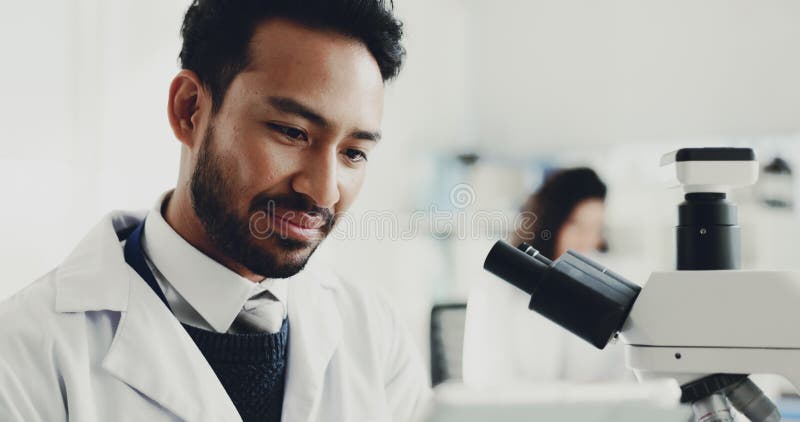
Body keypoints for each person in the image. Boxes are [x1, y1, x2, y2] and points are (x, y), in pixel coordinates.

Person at [0, 1, 431, 421]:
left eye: (354, 153)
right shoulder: (25, 355)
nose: (323, 191)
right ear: (189, 110)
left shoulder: (376, 338)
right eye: (292, 132)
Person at [463, 167, 632, 386]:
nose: (588, 240)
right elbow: (489, 378)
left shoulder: (610, 284)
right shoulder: (498, 287)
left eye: (596, 228)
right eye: (577, 225)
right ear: (551, 222)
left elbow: (623, 372)